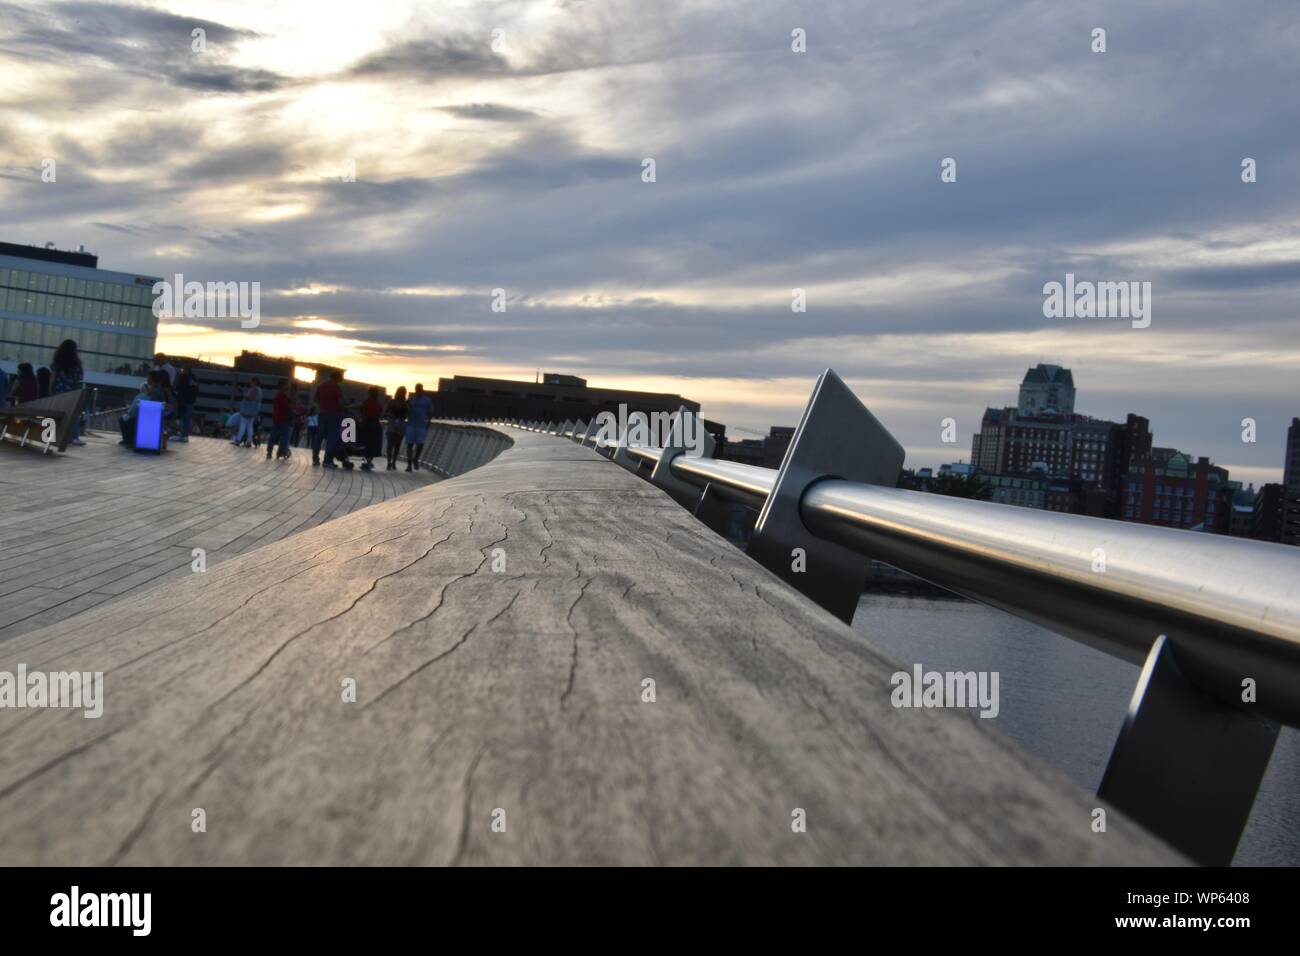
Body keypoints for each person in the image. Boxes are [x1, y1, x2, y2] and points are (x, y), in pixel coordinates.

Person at [50, 340, 85, 445]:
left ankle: (51, 435)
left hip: (59, 391)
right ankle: (74, 437)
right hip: (72, 392)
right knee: (73, 414)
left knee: (55, 414)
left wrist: (50, 390)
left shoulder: (57, 362)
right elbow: (79, 379)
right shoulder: (77, 364)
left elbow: (53, 377)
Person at [314, 371, 344, 468]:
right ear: (338, 378)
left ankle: (315, 459)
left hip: (322, 413)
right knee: (332, 439)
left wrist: (323, 404)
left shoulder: (321, 386)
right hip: (334, 415)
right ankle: (327, 461)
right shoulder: (336, 387)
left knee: (319, 438)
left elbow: (315, 399)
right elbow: (341, 402)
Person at [404, 383, 432, 472]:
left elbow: (430, 412)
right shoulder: (411, 400)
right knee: (409, 445)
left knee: (420, 445)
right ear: (415, 390)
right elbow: (406, 411)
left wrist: (428, 423)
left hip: (421, 425)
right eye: (417, 389)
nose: (419, 391)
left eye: (420, 389)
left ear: (422, 390)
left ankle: (415, 459)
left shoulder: (427, 400)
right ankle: (409, 465)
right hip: (411, 425)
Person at [266, 378, 294, 461]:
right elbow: (287, 407)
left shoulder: (278, 395)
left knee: (273, 435)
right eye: (287, 384)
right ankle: (281, 451)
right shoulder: (283, 396)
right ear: (283, 385)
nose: (289, 386)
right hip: (284, 419)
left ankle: (269, 452)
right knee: (285, 436)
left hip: (276, 418)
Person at [358, 386, 384, 471]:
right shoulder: (378, 404)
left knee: (364, 442)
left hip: (366, 424)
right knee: (373, 444)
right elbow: (380, 414)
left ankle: (368, 462)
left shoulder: (365, 402)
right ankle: (369, 461)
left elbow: (362, 412)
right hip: (375, 425)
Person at [383, 386, 408, 471]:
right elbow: (385, 413)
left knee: (397, 445)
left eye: (403, 393)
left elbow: (407, 415)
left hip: (400, 425)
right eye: (401, 392)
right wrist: (390, 416)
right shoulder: (391, 402)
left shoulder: (405, 404)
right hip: (392, 424)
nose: (402, 394)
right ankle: (389, 462)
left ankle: (393, 462)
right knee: (390, 444)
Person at [172, 364, 199, 442]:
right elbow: (196, 389)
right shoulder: (193, 378)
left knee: (183, 417)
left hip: (182, 400)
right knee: (186, 418)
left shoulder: (182, 377)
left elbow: (176, 387)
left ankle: (182, 434)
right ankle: (184, 435)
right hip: (190, 400)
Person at [232, 378, 261, 447]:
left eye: (251, 382)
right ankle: (249, 441)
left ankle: (238, 440)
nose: (250, 383)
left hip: (247, 411)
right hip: (252, 411)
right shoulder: (259, 390)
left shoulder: (255, 389)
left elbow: (250, 398)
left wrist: (243, 393)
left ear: (255, 382)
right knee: (249, 426)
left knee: (243, 425)